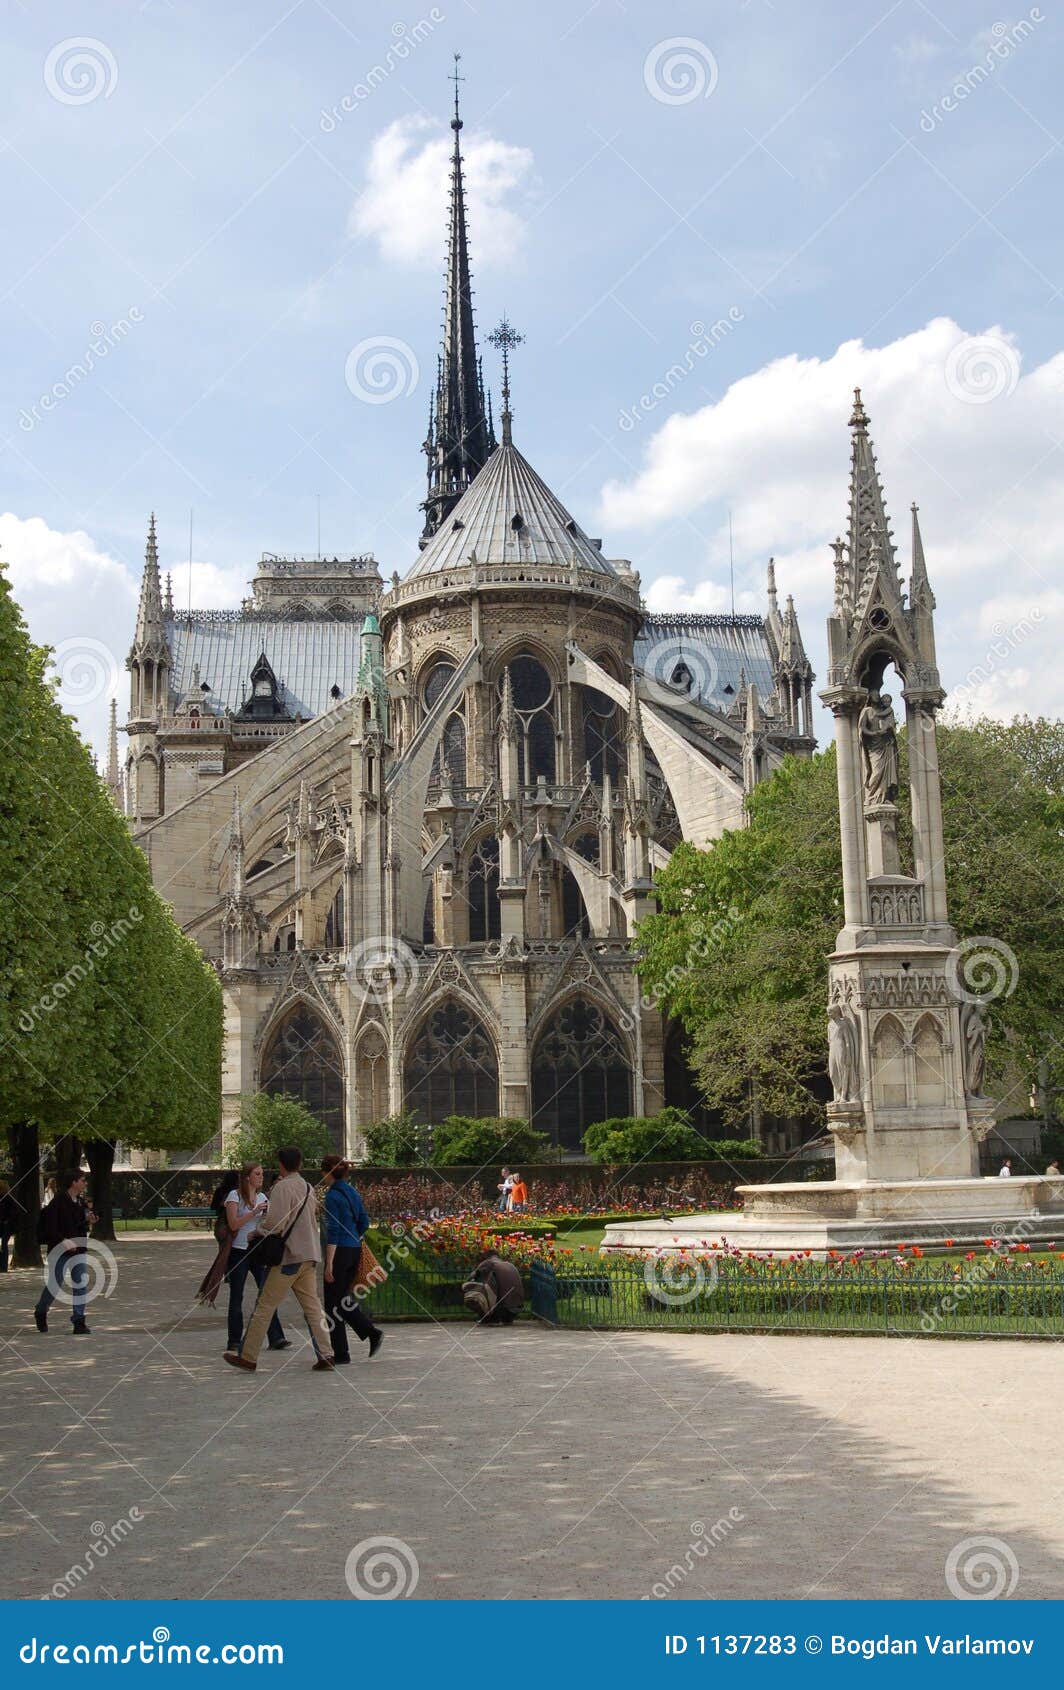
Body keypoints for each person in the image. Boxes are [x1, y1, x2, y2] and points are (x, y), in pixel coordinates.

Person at [224, 1147, 333, 1373]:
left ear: (282, 1164)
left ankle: (248, 1356)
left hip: (289, 1256)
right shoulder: (307, 1187)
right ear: (300, 1164)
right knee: (313, 1308)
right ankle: (327, 1353)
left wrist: (257, 1232)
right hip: (308, 1254)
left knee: (264, 1305)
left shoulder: (282, 1187)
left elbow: (275, 1223)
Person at [222, 1164, 289, 1355]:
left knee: (266, 1294)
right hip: (239, 1252)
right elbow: (233, 1224)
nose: (261, 1177)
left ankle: (275, 1337)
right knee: (237, 1295)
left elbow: (268, 1223)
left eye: (262, 1174)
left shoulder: (262, 1197)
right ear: (247, 1177)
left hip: (257, 1251)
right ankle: (234, 1340)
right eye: (257, 1174)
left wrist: (268, 1214)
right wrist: (254, 1211)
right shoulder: (234, 1196)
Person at [322, 1159, 383, 1363]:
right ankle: (350, 1346)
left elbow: (333, 1232)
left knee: (333, 1303)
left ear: (327, 1172)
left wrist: (328, 1263)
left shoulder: (331, 1196)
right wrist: (354, 1235)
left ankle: (356, 1342)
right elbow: (364, 1221)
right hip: (354, 1248)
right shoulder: (352, 1192)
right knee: (341, 1298)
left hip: (339, 1251)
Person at [34, 1170, 92, 1335]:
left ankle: (79, 1321)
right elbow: (50, 1227)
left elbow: (80, 1225)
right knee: (55, 1283)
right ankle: (41, 1310)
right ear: (74, 1182)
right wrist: (63, 1240)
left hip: (79, 1248)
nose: (85, 1183)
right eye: (82, 1180)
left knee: (80, 1283)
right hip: (59, 1249)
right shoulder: (58, 1202)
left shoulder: (80, 1202)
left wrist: (88, 1220)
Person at [463, 1248, 524, 1325]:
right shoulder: (509, 1265)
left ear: (486, 1256)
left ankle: (489, 1317)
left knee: (476, 1292)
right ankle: (506, 1319)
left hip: (501, 1308)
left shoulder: (489, 1263)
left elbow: (471, 1277)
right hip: (517, 1306)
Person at [0, 1181, 19, 1273]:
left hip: (6, 1225)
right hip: (1, 1224)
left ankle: (3, 1266)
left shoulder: (8, 1198)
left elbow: (15, 1211)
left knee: (4, 1244)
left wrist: (7, 1219)